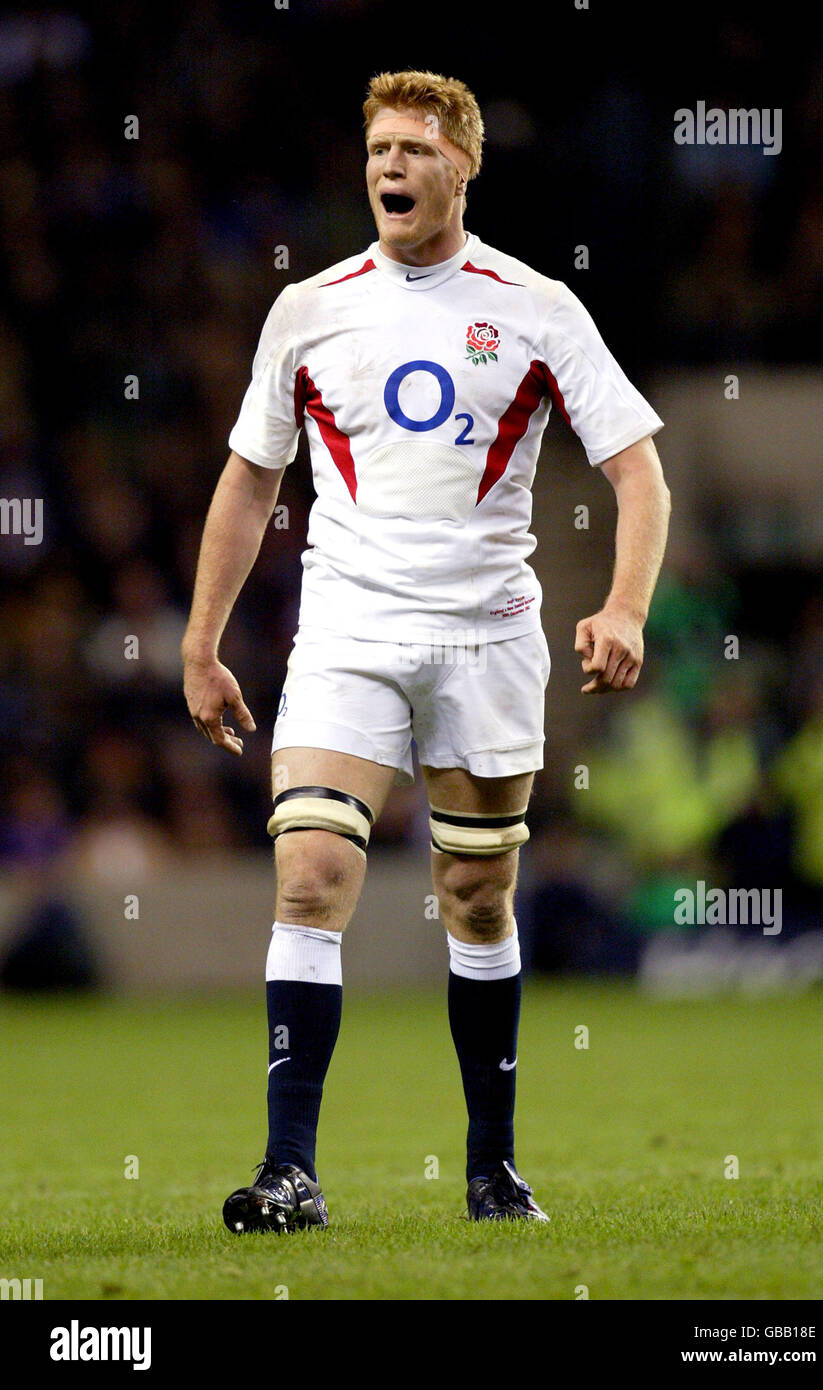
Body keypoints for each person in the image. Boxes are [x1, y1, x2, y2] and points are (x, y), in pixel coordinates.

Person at [182, 69, 670, 1231]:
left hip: (486, 637)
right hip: (347, 628)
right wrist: (200, 643)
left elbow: (637, 470)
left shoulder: (539, 306)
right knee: (309, 875)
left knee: (475, 894)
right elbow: (250, 480)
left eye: (411, 148)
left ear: (462, 164)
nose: (388, 168)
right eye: (375, 151)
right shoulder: (307, 309)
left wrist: (626, 606)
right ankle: (288, 1171)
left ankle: (491, 1170)